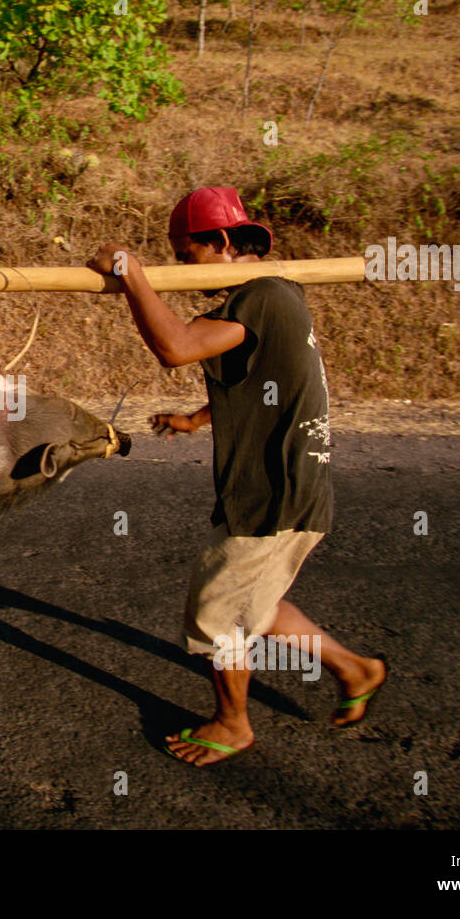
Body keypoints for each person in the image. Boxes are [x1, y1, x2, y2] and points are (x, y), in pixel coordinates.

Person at [88, 186, 386, 767]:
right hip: (288, 485)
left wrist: (130, 273)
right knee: (259, 603)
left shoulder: (263, 295)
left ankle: (232, 723)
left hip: (275, 491)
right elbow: (268, 380)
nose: (180, 268)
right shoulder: (273, 298)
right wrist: (197, 419)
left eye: (184, 253)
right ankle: (356, 669)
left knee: (218, 609)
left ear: (221, 242)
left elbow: (175, 347)